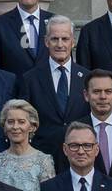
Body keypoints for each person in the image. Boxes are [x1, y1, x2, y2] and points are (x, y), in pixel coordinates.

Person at [16, 16, 90, 156]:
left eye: (65, 39)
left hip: (80, 154)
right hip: (42, 154)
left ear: (73, 42)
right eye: (55, 39)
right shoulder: (30, 79)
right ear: (46, 42)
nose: (60, 44)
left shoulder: (87, 78)